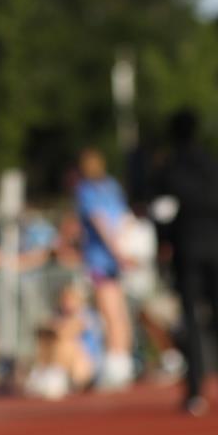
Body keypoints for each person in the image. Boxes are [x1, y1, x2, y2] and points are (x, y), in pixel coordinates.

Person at [151, 110, 218, 417]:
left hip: (185, 251)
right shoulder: (216, 166)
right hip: (215, 249)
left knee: (192, 321)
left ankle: (195, 393)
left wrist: (165, 245)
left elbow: (161, 217)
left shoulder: (168, 169)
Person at [72, 149, 136, 389]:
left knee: (111, 314)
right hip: (114, 256)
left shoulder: (88, 190)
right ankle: (121, 362)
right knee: (118, 313)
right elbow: (123, 218)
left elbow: (100, 221)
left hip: (102, 259)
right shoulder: (110, 186)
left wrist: (117, 251)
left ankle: (117, 365)